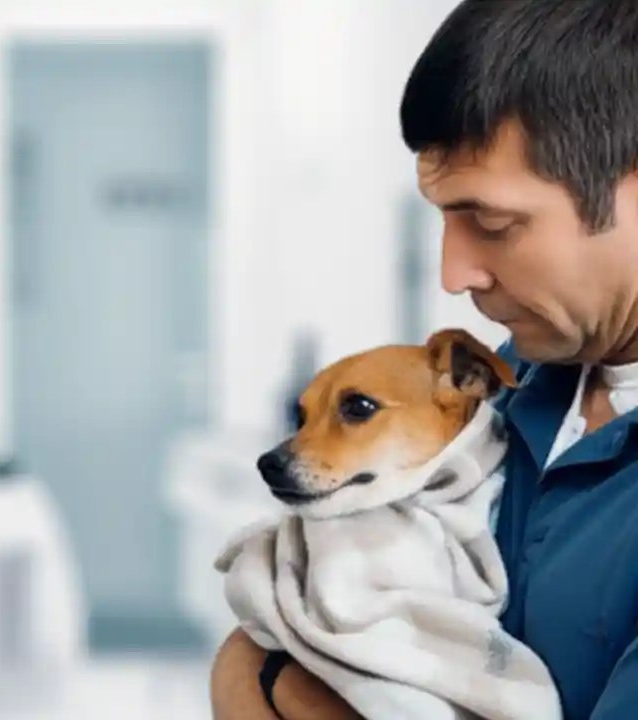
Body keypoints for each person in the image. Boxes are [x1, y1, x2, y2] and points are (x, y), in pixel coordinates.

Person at [211, 1, 638, 718]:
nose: (453, 272)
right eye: (443, 219)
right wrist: (257, 669)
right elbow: (253, 644)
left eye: (493, 224)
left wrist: (274, 684)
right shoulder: (506, 386)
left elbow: (259, 670)